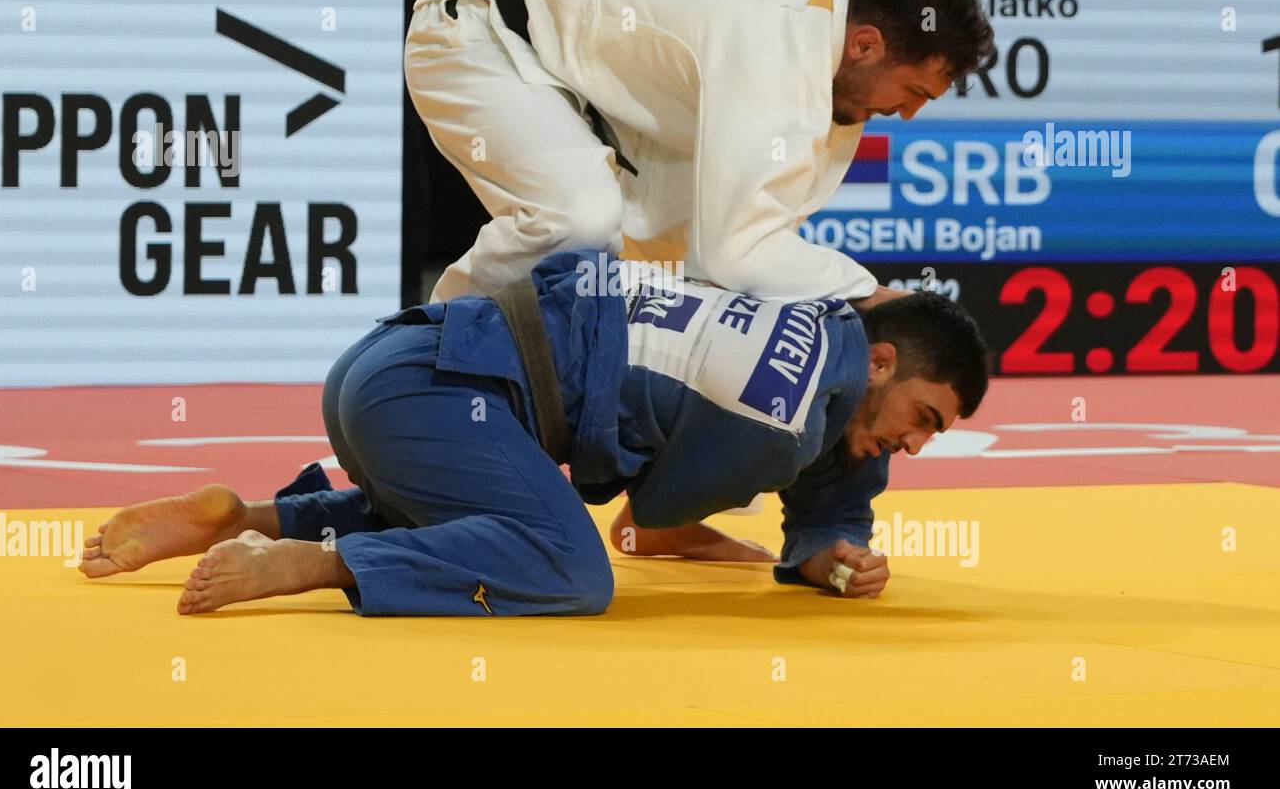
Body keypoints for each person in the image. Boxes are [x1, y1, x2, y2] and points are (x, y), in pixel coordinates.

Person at [78, 250, 990, 617]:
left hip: (392, 364)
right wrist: (726, 534)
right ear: (878, 363)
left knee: (490, 508)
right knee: (571, 566)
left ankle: (250, 515)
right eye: (924, 420)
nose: (913, 447)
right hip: (431, 397)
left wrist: (832, 552)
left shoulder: (816, 295)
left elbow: (840, 482)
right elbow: (654, 516)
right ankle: (319, 563)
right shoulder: (789, 420)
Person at [404, 0, 994, 305]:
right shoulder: (779, 39)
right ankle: (423, 361)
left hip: (590, 72)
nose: (909, 113)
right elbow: (738, 255)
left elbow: (752, 252)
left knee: (679, 274)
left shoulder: (841, 14)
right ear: (868, 45)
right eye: (914, 91)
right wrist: (867, 291)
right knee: (579, 221)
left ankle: (695, 486)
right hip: (486, 25)